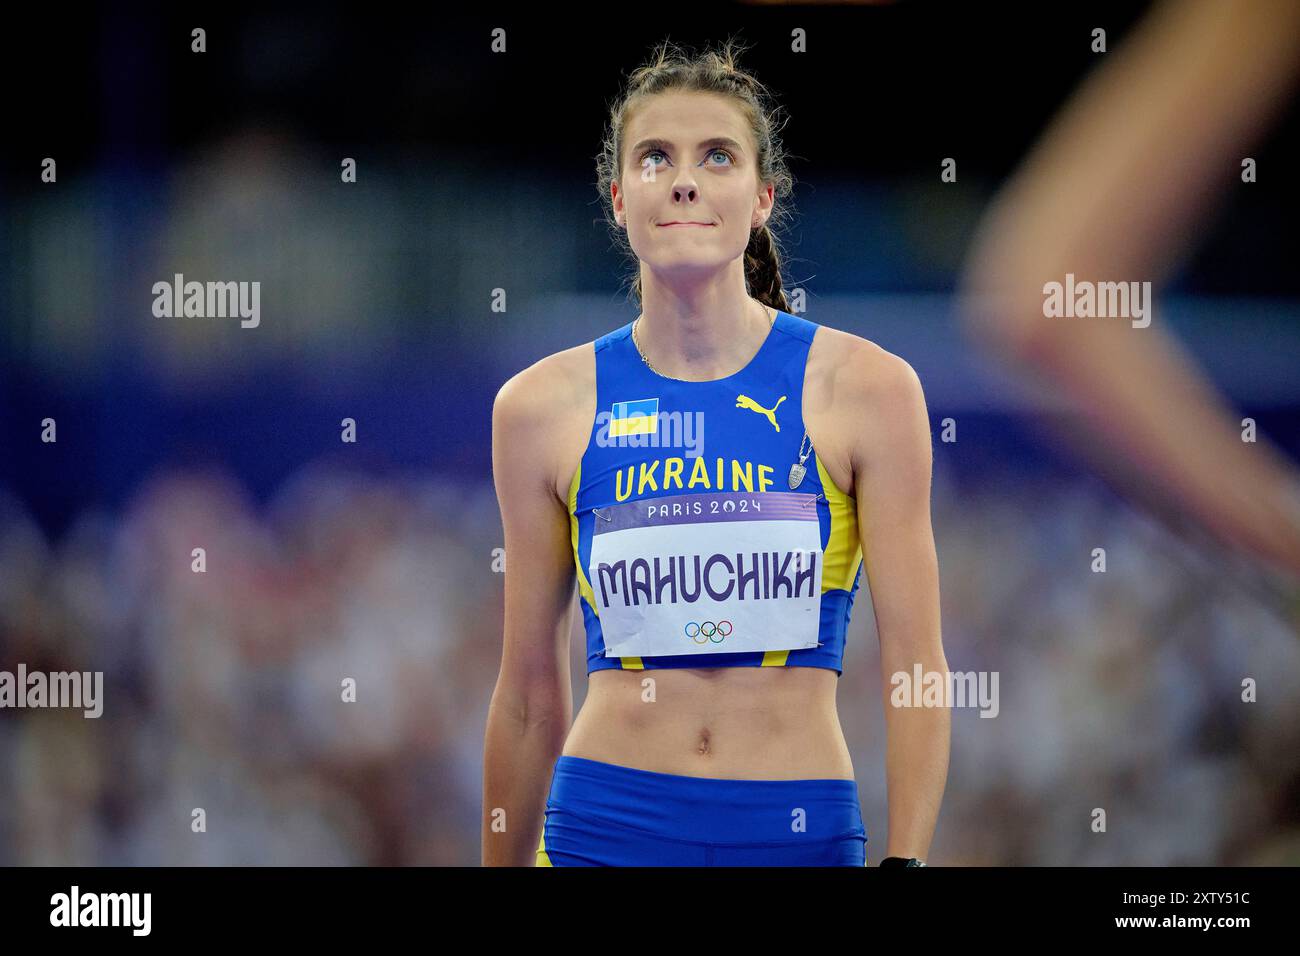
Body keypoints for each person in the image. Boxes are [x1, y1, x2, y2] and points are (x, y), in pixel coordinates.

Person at [482, 38, 948, 866]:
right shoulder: (539, 409)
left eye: (717, 156)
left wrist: (907, 859)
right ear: (618, 198)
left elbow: (917, 668)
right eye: (656, 156)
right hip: (602, 830)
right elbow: (525, 694)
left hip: (794, 832)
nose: (685, 178)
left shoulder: (867, 389)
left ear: (763, 196)